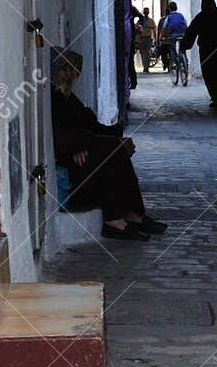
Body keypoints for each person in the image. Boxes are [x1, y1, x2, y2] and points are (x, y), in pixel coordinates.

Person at [49, 48, 166, 241]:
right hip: (69, 167)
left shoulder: (68, 98)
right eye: (64, 69)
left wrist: (116, 136)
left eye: (73, 70)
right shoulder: (52, 98)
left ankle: (133, 214)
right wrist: (78, 146)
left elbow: (91, 126)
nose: (70, 75)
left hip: (81, 156)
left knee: (115, 151)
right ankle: (115, 220)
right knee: (112, 152)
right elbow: (58, 135)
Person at [158, 0, 190, 85]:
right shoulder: (181, 15)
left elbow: (164, 28)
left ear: (169, 8)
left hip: (174, 34)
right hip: (183, 34)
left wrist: (162, 38)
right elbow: (186, 24)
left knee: (172, 46)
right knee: (182, 48)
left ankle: (174, 63)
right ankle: (185, 61)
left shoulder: (169, 17)